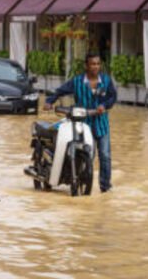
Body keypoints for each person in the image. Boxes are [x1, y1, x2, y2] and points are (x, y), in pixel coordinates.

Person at [44, 53, 117, 193]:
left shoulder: (106, 81)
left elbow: (112, 97)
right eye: (92, 64)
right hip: (82, 125)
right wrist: (49, 101)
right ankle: (81, 180)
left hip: (101, 124)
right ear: (86, 66)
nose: (95, 67)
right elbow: (60, 91)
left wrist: (105, 105)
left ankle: (105, 187)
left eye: (97, 64)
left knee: (105, 155)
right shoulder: (76, 82)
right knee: (87, 155)